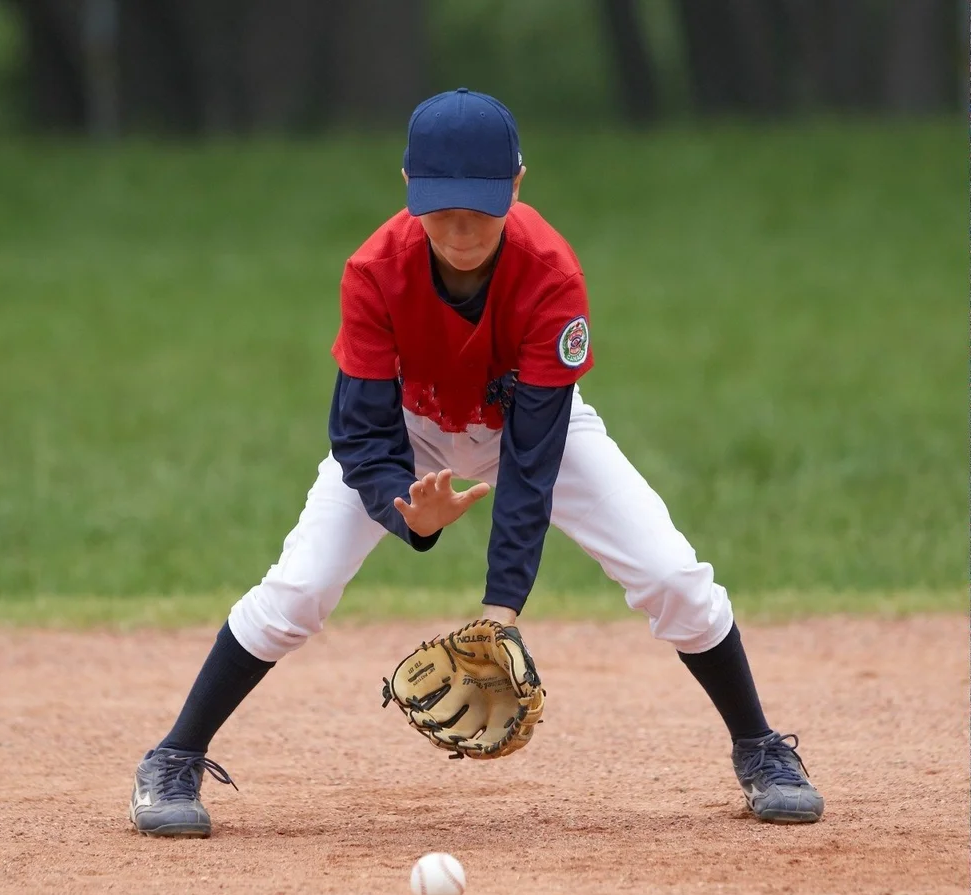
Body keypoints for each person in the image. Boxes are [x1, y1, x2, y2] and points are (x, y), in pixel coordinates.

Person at [129, 88, 824, 837]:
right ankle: (173, 757)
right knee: (300, 587)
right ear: (407, 189)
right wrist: (405, 507)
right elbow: (359, 432)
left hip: (530, 425)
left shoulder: (552, 274)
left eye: (481, 211)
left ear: (518, 185)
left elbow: (532, 462)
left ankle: (759, 747)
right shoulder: (374, 269)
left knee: (670, 574)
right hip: (409, 428)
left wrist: (502, 610)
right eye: (440, 210)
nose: (460, 232)